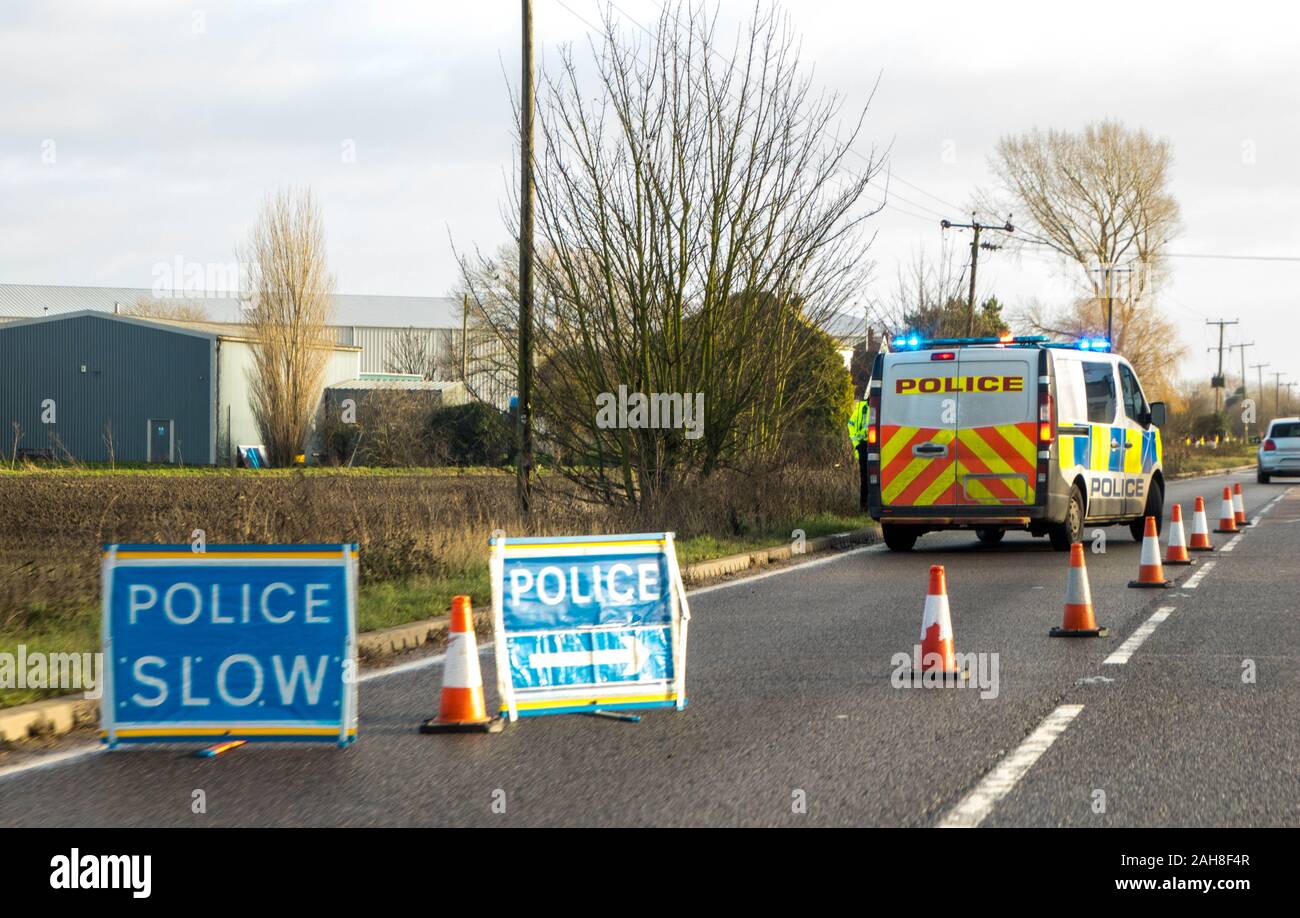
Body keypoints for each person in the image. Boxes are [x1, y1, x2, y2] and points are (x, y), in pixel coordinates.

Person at [847, 396, 871, 510]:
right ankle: (864, 506)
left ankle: (871, 505)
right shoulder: (861, 407)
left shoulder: (882, 404)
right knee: (865, 477)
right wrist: (857, 444)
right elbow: (851, 424)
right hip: (863, 446)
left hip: (879, 446)